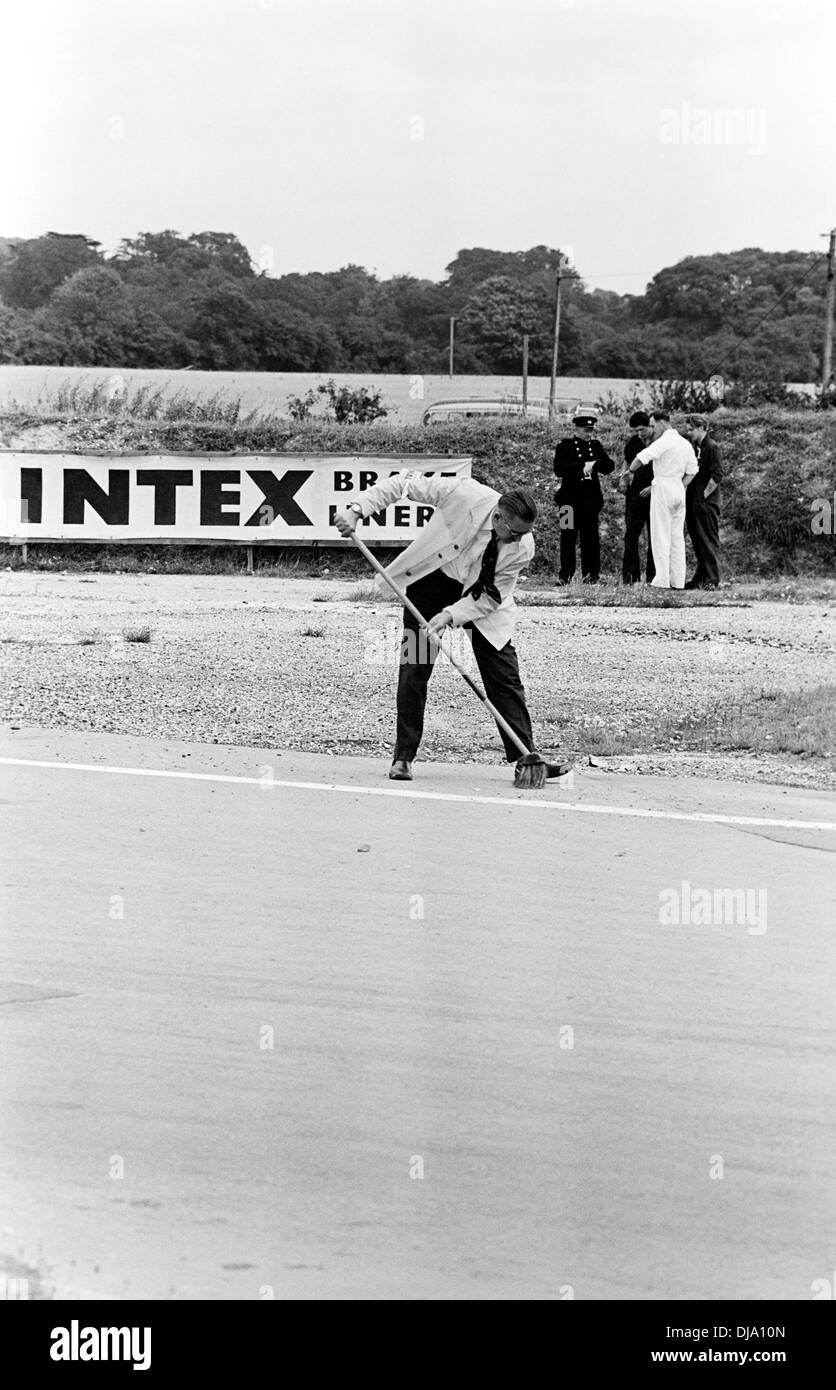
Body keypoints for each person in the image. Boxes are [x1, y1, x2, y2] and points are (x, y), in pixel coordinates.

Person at [334, 472, 569, 782]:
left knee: (503, 673)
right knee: (415, 668)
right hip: (430, 585)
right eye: (513, 532)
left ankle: (526, 755)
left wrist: (449, 615)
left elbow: (489, 598)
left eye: (524, 533)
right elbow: (403, 482)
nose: (519, 539)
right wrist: (356, 509)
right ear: (497, 516)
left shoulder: (522, 547)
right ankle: (403, 757)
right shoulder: (464, 493)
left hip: (479, 598)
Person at [628, 412, 698, 589]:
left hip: (663, 486)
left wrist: (630, 471)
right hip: (678, 488)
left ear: (660, 423)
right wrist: (680, 486)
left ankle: (662, 580)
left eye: (652, 425)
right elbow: (692, 471)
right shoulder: (685, 443)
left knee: (660, 536)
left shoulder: (663, 441)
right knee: (677, 538)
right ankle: (678, 580)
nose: (652, 429)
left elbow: (640, 459)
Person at [552, 409, 616, 584]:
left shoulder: (595, 447)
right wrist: (581, 466)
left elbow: (609, 466)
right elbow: (559, 469)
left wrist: (595, 463)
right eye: (585, 430)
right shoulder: (564, 446)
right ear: (577, 429)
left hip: (589, 502)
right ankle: (565, 575)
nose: (588, 434)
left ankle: (591, 575)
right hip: (567, 501)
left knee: (590, 540)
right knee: (567, 538)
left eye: (590, 430)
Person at [683, 414, 723, 589]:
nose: (689, 433)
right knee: (698, 541)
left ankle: (713, 580)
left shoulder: (712, 447)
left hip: (705, 503)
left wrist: (704, 497)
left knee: (709, 540)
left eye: (691, 429)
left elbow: (717, 476)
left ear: (701, 428)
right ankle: (700, 578)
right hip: (693, 502)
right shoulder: (694, 448)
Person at [619, 410, 655, 584]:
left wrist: (652, 487)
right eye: (636, 431)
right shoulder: (633, 442)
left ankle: (653, 576)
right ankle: (630, 577)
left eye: (642, 429)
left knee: (654, 537)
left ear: (649, 426)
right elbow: (627, 460)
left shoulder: (658, 443)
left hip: (654, 494)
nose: (639, 434)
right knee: (631, 535)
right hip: (634, 495)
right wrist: (623, 478)